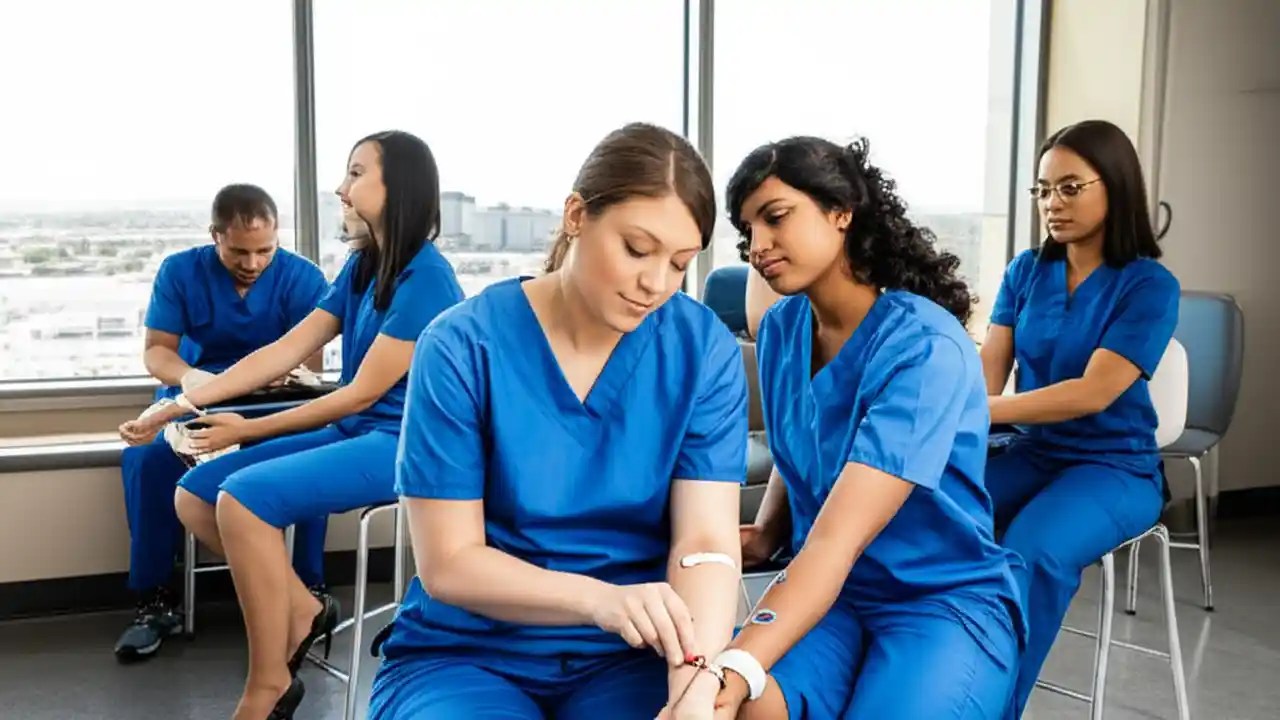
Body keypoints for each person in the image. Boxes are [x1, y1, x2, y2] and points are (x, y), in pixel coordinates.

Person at [366, 122, 747, 720]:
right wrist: (601, 601)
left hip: (633, 656)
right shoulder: (461, 345)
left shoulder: (702, 352)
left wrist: (695, 675)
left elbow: (705, 543)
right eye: (637, 249)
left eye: (680, 263)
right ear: (576, 216)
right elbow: (450, 563)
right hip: (468, 654)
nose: (656, 284)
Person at [119, 129, 465, 720]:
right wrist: (176, 405)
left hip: (405, 444)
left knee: (242, 500)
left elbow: (359, 394)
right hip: (358, 431)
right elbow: (284, 349)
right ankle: (304, 608)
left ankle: (268, 684)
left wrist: (247, 430)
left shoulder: (426, 278)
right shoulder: (363, 267)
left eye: (356, 173)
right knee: (195, 496)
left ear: (398, 187)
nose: (341, 187)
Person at [698, 136, 1024, 720]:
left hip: (937, 601)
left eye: (776, 218)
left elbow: (835, 540)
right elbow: (806, 443)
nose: (758, 247)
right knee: (747, 707)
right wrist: (767, 531)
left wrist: (741, 659)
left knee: (744, 674)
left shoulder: (925, 349)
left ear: (841, 211)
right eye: (748, 233)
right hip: (832, 600)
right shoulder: (779, 331)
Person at [979, 119, 1180, 718]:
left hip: (1114, 469)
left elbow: (1093, 392)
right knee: (936, 514)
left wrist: (981, 411)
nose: (1052, 204)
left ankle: (991, 706)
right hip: (1033, 453)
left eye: (1070, 187)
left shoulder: (1149, 285)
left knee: (1033, 550)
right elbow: (989, 373)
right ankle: (930, 673)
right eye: (1042, 190)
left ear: (1114, 187)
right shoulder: (1025, 272)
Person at [115, 183, 329, 662]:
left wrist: (285, 376)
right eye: (238, 251)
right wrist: (195, 378)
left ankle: (308, 595)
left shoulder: (303, 278)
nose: (252, 264)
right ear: (215, 236)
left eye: (264, 251)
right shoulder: (179, 272)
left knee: (310, 455)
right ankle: (154, 602)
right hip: (193, 400)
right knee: (147, 460)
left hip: (273, 402)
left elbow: (309, 363)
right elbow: (157, 351)